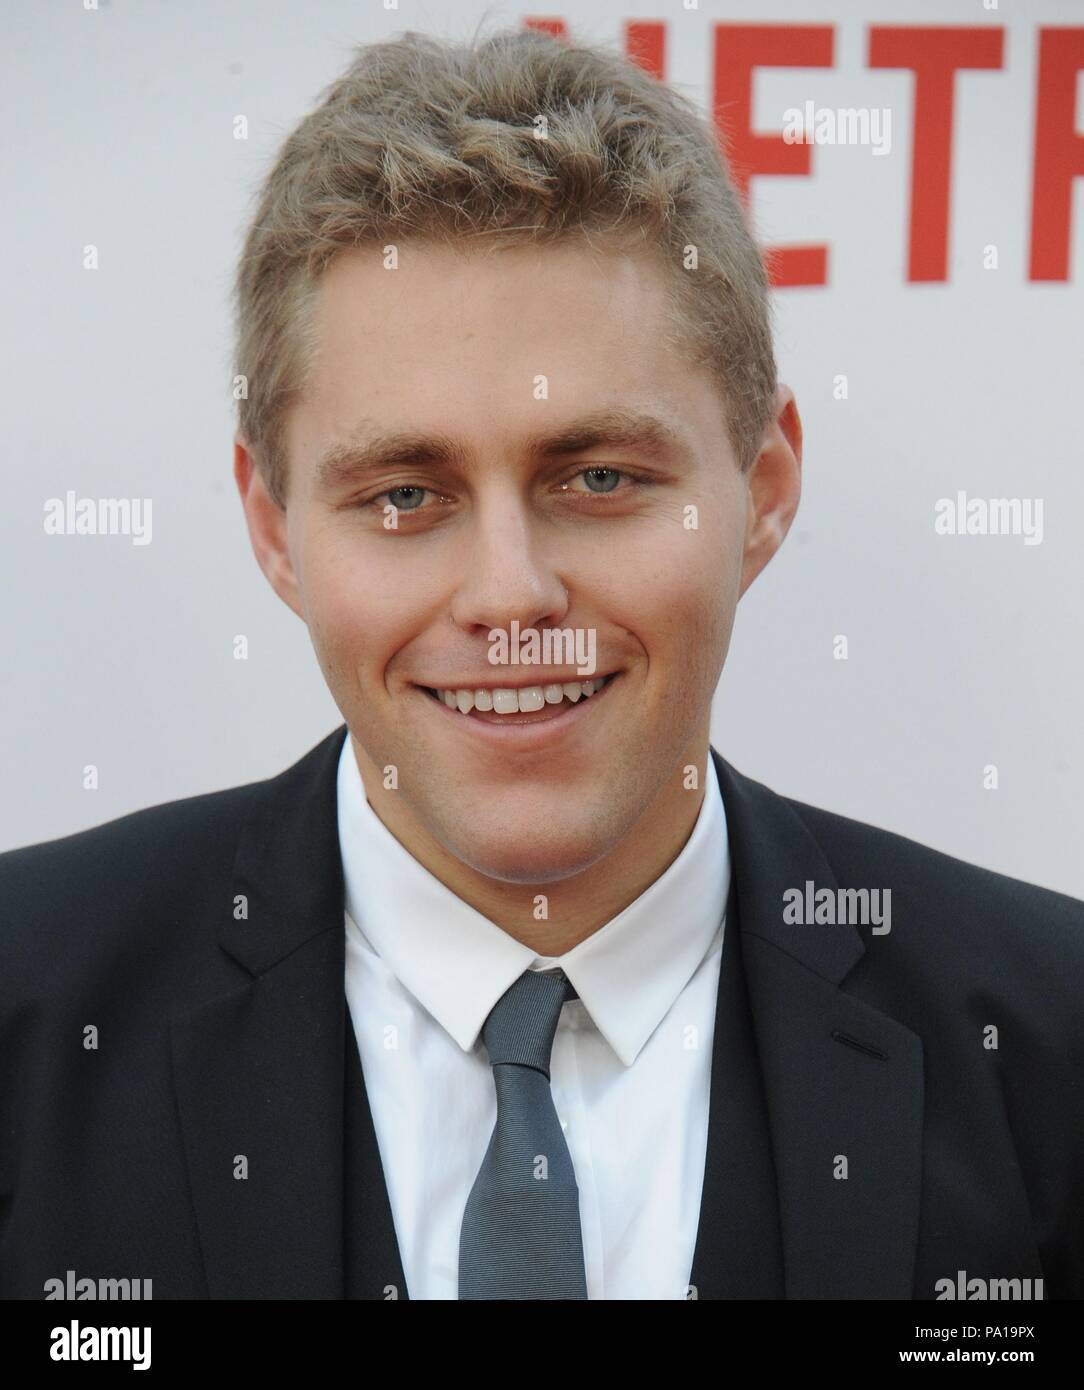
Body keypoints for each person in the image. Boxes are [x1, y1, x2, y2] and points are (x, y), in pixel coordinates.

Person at [2, 26, 1081, 1302]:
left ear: (765, 487)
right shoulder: (25, 1009)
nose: (510, 594)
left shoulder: (1048, 1039)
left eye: (600, 476)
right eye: (405, 494)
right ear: (272, 527)